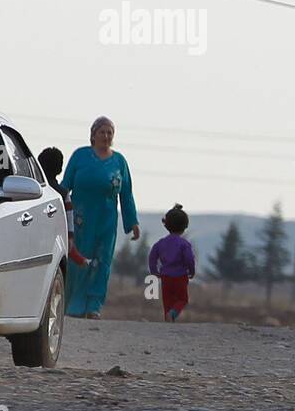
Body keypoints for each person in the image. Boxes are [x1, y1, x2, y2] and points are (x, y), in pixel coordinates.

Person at [60, 116, 140, 319]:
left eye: (110, 132)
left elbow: (127, 193)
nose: (106, 136)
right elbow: (65, 186)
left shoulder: (119, 161)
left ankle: (93, 306)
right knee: (78, 258)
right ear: (93, 135)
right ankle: (74, 305)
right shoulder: (80, 156)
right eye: (102, 132)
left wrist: (132, 222)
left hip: (106, 220)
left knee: (102, 261)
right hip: (80, 219)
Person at [38, 146, 95, 270]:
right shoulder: (63, 194)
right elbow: (69, 222)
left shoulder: (33, 190)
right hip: (54, 241)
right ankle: (85, 262)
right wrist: (70, 238)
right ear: (59, 169)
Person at [147, 203, 196, 322]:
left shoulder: (160, 243)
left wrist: (154, 271)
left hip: (165, 277)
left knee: (167, 300)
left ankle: (168, 319)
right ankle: (173, 313)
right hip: (180, 276)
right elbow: (189, 259)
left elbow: (152, 257)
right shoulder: (184, 244)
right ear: (185, 226)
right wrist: (192, 270)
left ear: (166, 225)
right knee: (182, 299)